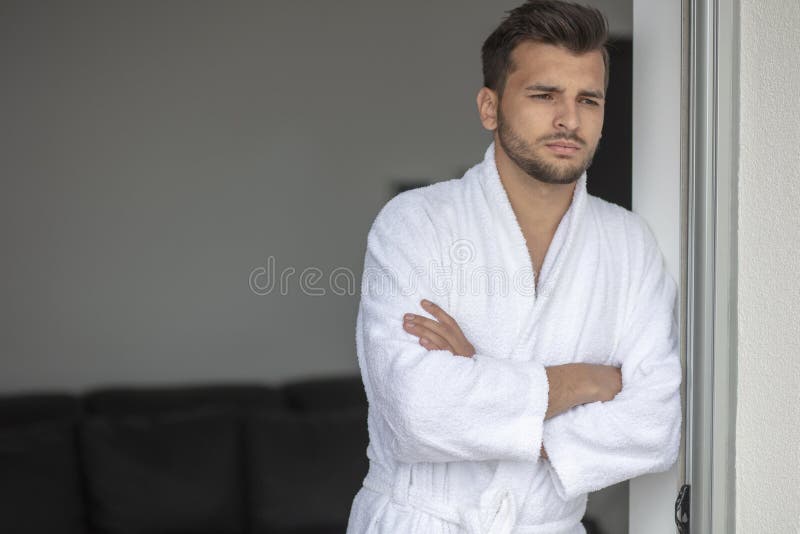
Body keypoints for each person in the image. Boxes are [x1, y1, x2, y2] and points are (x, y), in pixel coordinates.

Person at [346, 1, 682, 533]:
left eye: (588, 100)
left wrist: (478, 381)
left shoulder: (628, 244)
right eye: (544, 95)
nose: (569, 119)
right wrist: (583, 382)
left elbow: (654, 426)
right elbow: (419, 411)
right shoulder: (416, 223)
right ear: (489, 106)